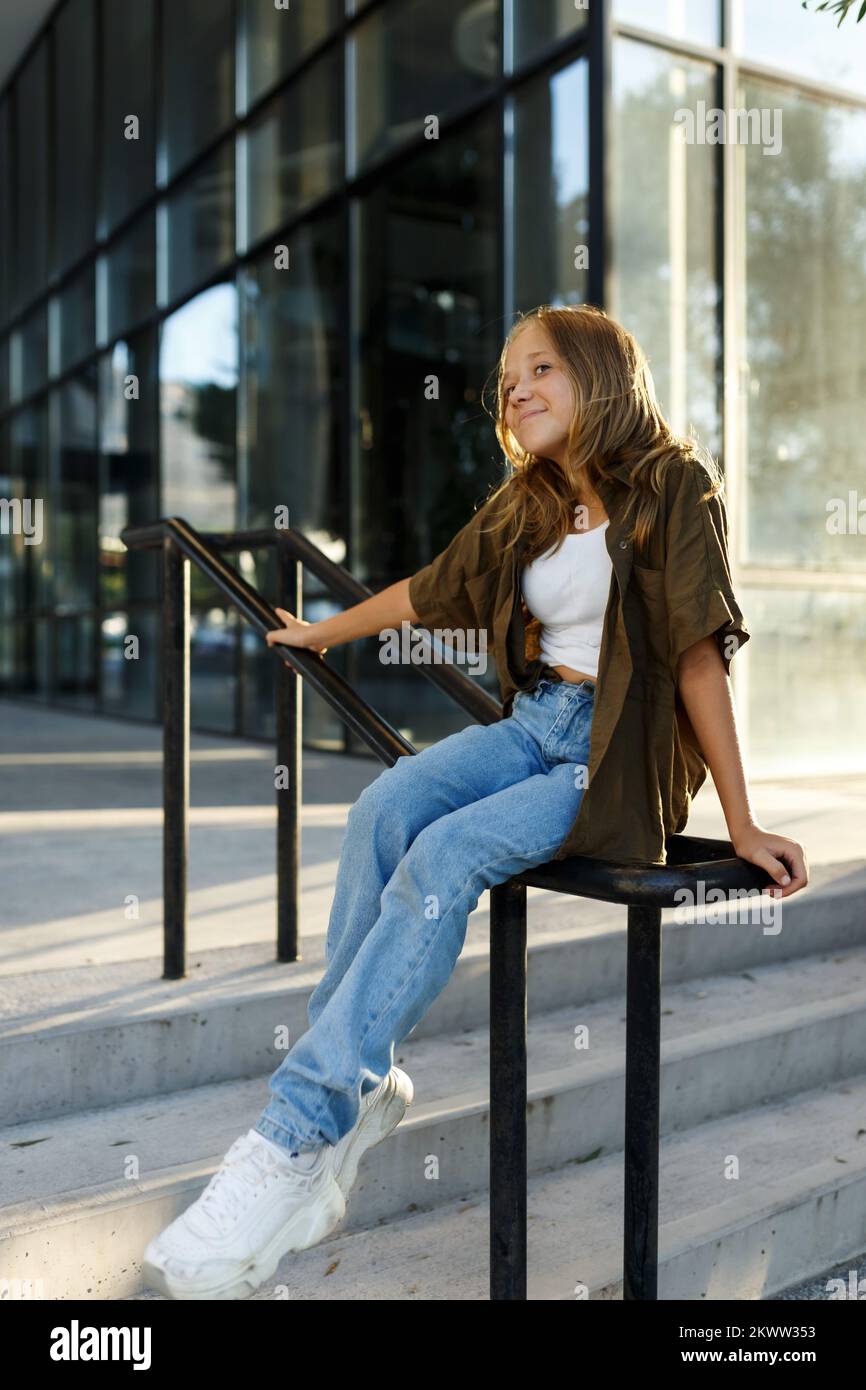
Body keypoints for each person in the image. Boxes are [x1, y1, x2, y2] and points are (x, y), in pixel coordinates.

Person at [142, 304, 808, 1300]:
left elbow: (696, 655)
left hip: (609, 759)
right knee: (385, 809)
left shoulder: (673, 486)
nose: (517, 391)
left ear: (598, 374)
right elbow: (429, 588)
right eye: (507, 381)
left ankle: (294, 1136)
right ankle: (355, 1090)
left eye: (540, 368)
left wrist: (740, 818)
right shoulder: (532, 499)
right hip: (533, 725)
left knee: (444, 858)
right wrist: (321, 633)